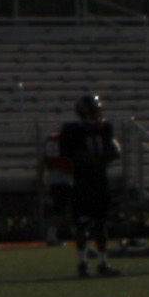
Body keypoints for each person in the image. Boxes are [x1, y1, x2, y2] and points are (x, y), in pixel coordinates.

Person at [56, 92, 124, 278]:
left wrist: (98, 158)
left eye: (97, 110)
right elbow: (72, 156)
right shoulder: (73, 130)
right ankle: (82, 262)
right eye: (93, 110)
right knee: (82, 224)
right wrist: (96, 159)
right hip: (83, 182)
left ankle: (102, 262)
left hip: (100, 181)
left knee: (101, 224)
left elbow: (112, 153)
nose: (97, 113)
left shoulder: (104, 129)